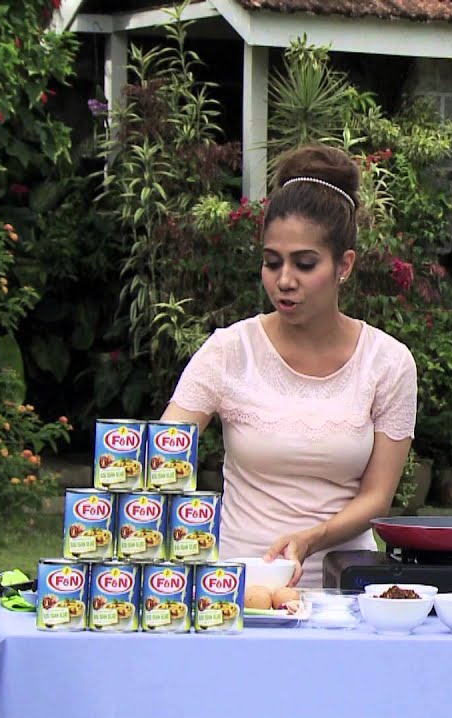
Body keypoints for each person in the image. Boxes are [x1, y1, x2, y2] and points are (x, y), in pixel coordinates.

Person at [160, 144, 417, 588]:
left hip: (345, 593)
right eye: (271, 262)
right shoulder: (229, 350)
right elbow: (162, 456)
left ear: (344, 265)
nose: (284, 281)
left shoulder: (388, 363)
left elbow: (377, 497)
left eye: (304, 264)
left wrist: (311, 539)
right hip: (238, 593)